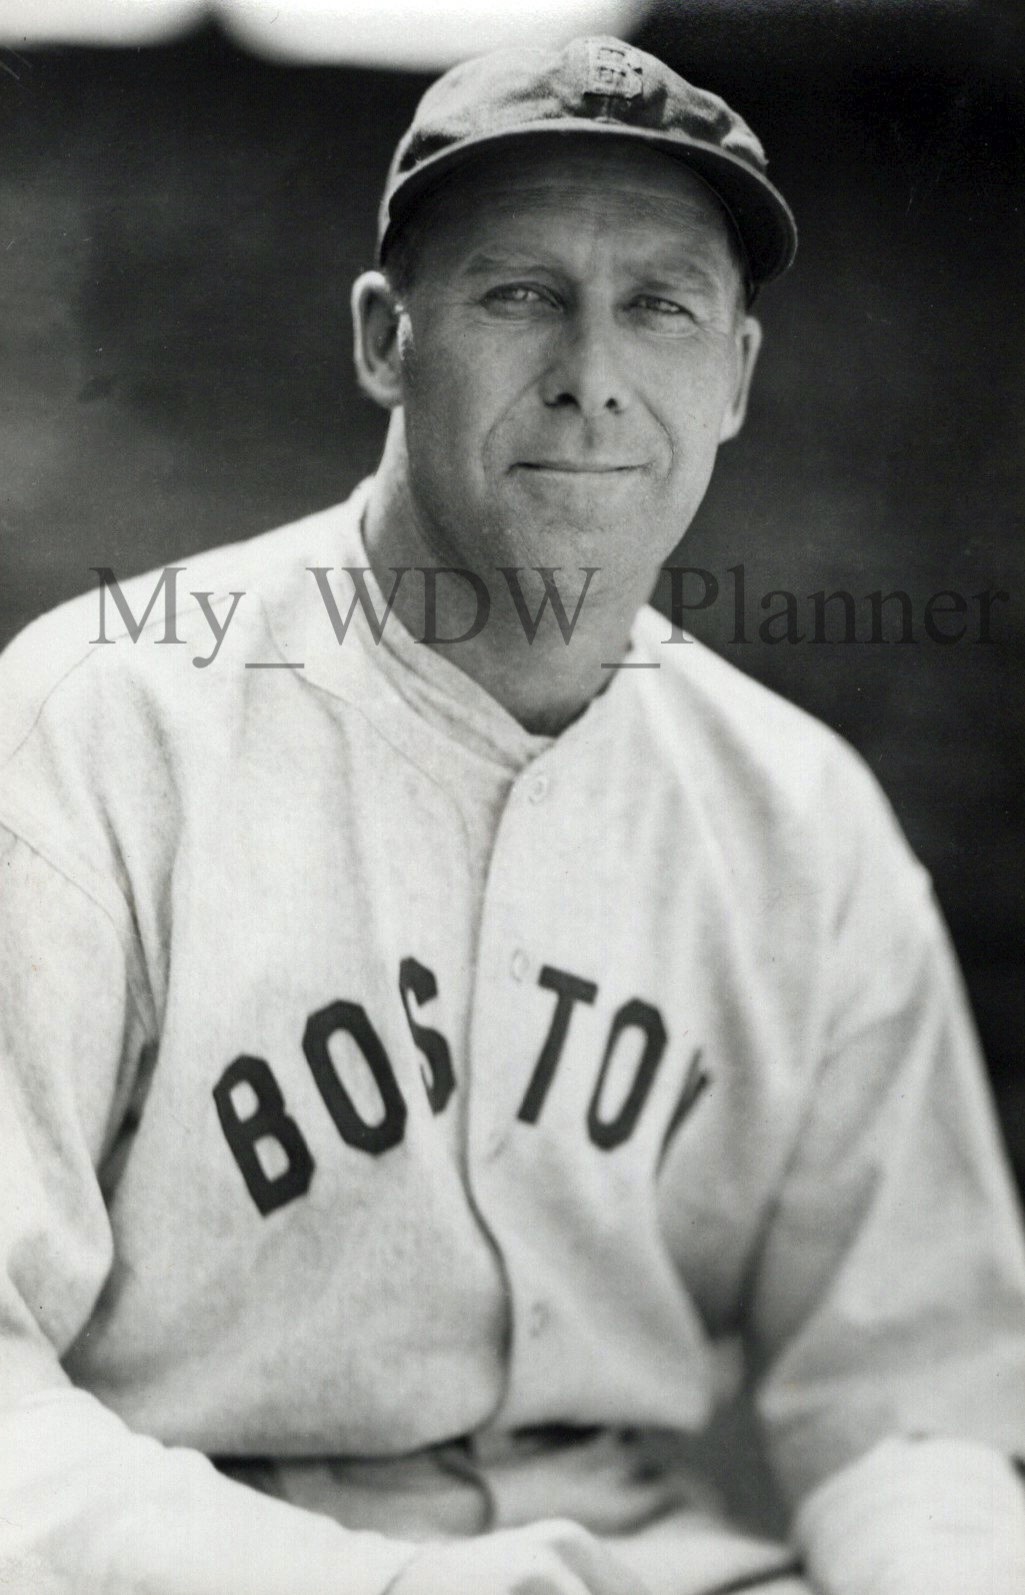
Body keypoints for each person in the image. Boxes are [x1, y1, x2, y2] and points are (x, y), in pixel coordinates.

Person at [0, 33, 1023, 1595]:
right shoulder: (97, 727)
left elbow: (909, 1395)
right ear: (380, 339)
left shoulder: (798, 816)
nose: (593, 372)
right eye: (518, 293)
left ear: (735, 377)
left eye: (661, 305)